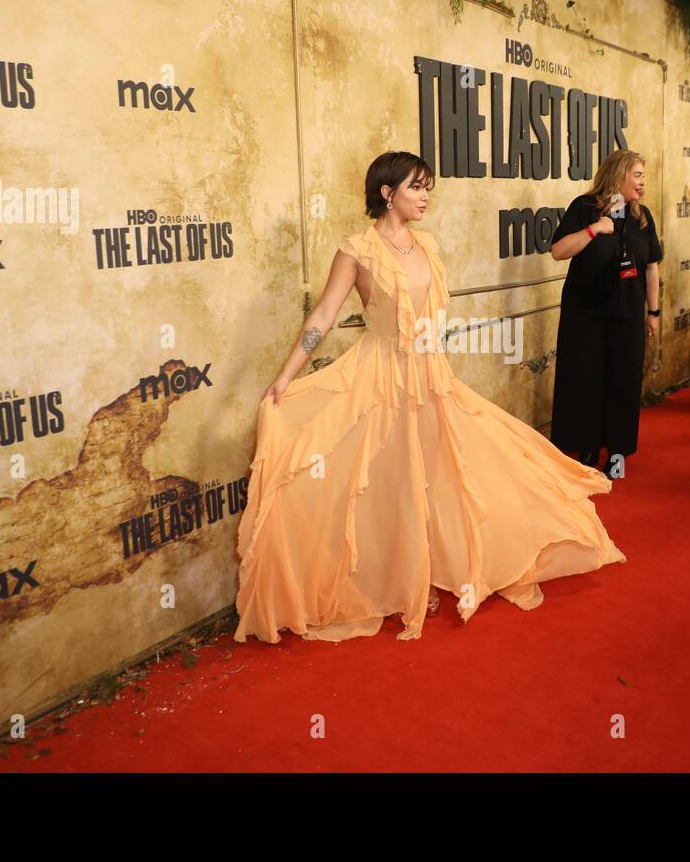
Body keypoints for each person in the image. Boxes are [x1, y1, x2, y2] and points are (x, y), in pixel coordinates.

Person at [233, 151, 626, 643]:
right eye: (416, 187)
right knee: (384, 481)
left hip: (431, 375)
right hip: (378, 376)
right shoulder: (356, 250)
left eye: (427, 188)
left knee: (442, 473)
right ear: (386, 192)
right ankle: (391, 578)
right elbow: (322, 317)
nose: (424, 197)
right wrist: (286, 376)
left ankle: (434, 565)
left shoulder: (426, 246)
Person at [549, 149, 663, 479]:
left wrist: (653, 311)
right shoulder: (584, 208)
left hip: (628, 312)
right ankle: (586, 445)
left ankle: (617, 450)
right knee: (585, 379)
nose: (643, 182)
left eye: (643, 176)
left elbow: (651, 267)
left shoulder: (643, 217)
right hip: (585, 311)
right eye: (638, 174)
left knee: (623, 381)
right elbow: (558, 251)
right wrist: (593, 230)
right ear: (619, 174)